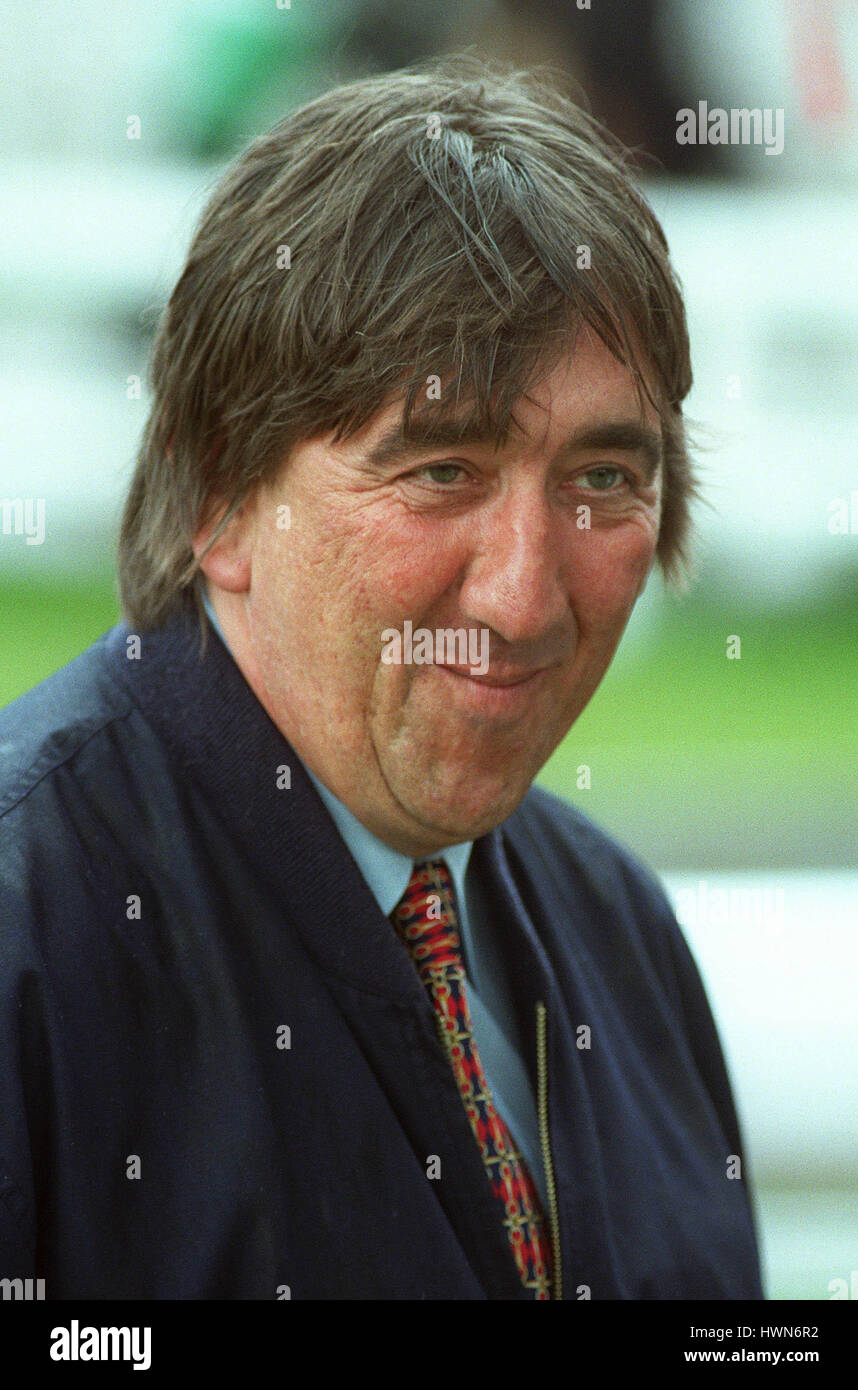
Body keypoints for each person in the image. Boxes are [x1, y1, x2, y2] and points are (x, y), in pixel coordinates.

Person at [0, 58, 763, 1300]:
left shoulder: (619, 930)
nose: (523, 595)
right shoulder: (29, 932)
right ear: (218, 497)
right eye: (440, 470)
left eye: (601, 480)